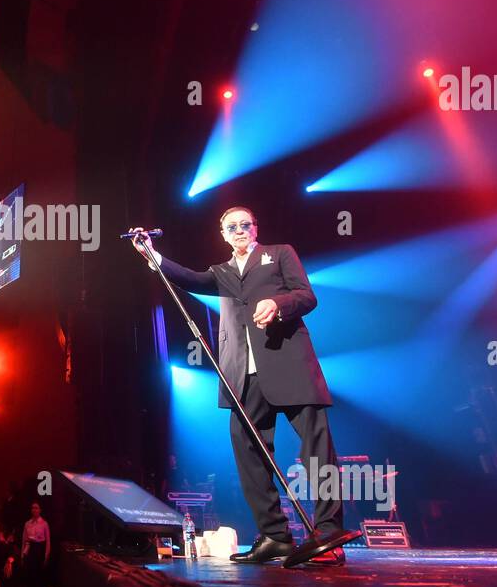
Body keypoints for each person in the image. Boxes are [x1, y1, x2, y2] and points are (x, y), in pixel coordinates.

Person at [130, 207, 346, 565]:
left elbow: (307, 296)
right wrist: (150, 253)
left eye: (246, 224)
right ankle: (276, 535)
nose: (239, 230)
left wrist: (278, 303)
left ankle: (329, 532)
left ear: (255, 228)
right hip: (243, 375)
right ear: (223, 234)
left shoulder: (278, 254)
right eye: (232, 226)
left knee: (316, 447)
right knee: (249, 454)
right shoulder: (222, 272)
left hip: (289, 365)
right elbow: (188, 278)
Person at [21, 502, 51, 587]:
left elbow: (48, 542)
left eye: (36, 508)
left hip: (39, 550)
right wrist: (22, 555)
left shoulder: (44, 524)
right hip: (29, 550)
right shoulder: (27, 523)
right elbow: (24, 540)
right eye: (32, 508)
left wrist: (46, 555)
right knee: (30, 577)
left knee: (38, 577)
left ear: (40, 510)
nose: (34, 510)